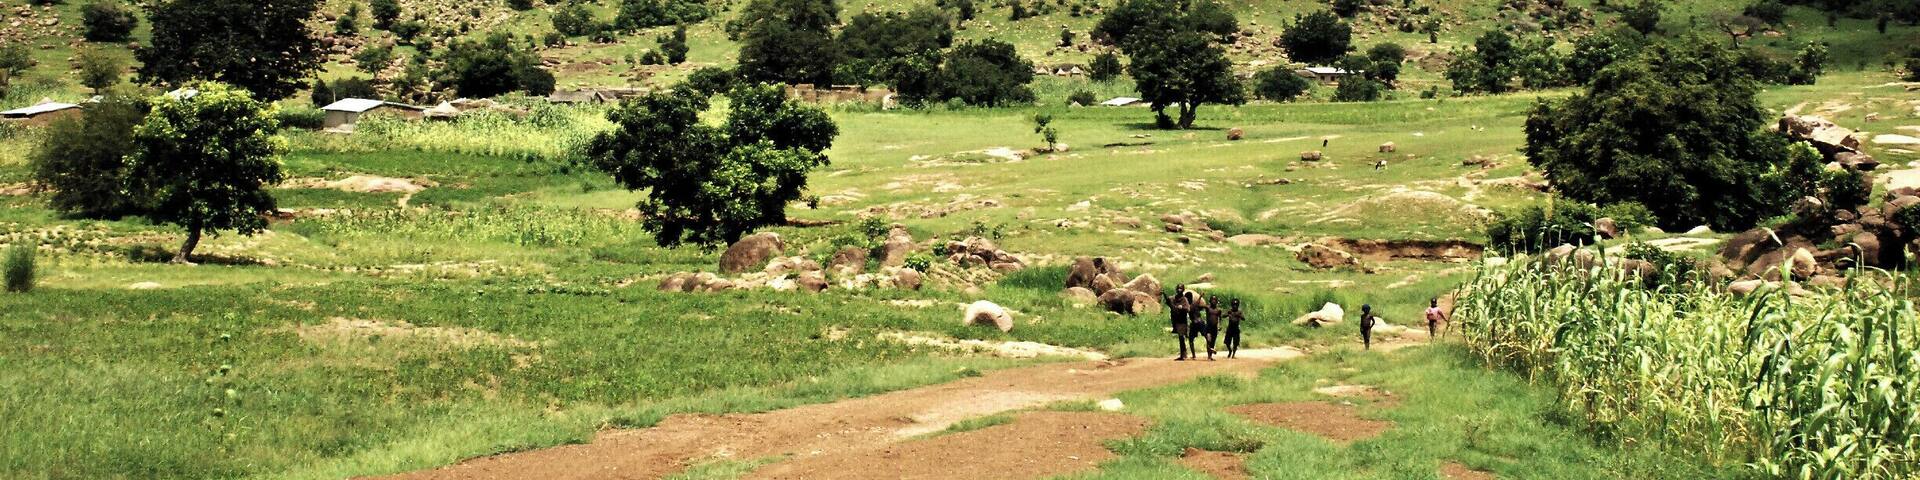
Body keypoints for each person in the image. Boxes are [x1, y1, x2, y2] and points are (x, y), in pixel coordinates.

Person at [1165, 285, 1192, 360]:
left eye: (1181, 288)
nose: (1179, 290)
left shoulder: (1184, 299)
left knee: (1181, 336)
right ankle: (1183, 353)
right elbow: (1169, 302)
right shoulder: (1173, 298)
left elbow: (1188, 309)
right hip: (1176, 320)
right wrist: (1164, 295)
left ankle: (1183, 354)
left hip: (1182, 321)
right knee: (1180, 337)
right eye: (1178, 288)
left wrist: (1182, 308)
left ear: (1183, 290)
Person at [1203, 294, 1223, 360]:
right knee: (1208, 340)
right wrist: (1200, 296)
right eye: (1212, 299)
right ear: (1210, 301)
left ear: (1217, 301)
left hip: (1214, 328)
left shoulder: (1218, 310)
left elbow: (1220, 319)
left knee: (1213, 342)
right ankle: (1211, 350)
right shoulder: (1207, 308)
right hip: (1208, 328)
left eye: (1215, 300)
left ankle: (1210, 356)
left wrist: (1220, 325)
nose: (1213, 301)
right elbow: (1199, 305)